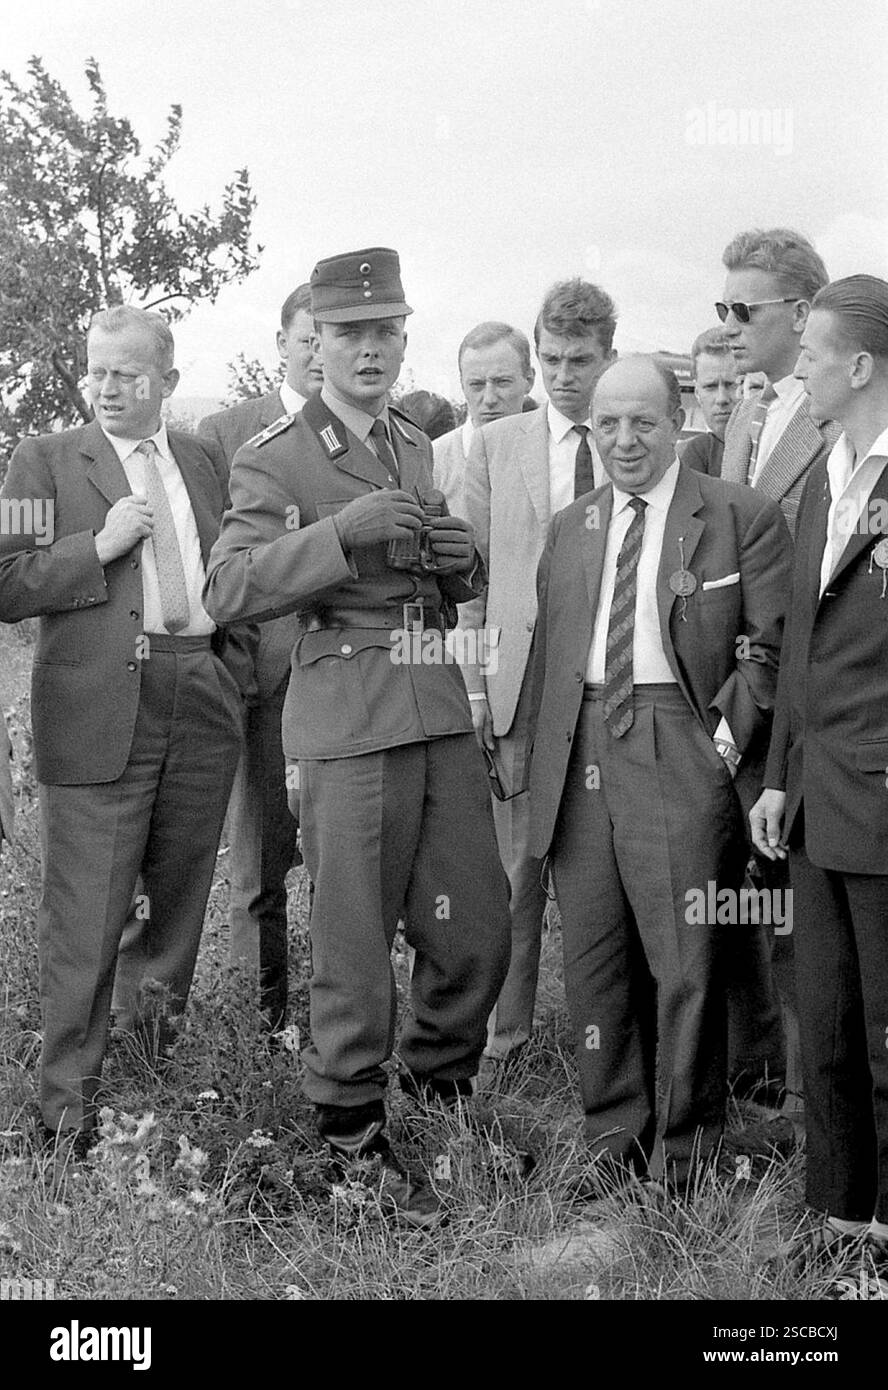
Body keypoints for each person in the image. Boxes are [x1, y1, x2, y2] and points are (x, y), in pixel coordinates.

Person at [204, 247, 511, 1227]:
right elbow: (227, 588)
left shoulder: (418, 441)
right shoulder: (276, 457)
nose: (370, 348)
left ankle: (436, 1090)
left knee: (477, 925)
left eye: (386, 330)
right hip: (345, 720)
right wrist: (339, 537)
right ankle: (352, 1137)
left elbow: (426, 576)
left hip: (431, 705)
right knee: (350, 941)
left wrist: (463, 569)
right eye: (349, 332)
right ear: (317, 343)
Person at [526, 355, 792, 1186]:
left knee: (685, 957)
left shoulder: (739, 515)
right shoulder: (572, 526)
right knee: (595, 959)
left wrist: (720, 743)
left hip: (678, 739)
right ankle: (614, 1143)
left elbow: (772, 648)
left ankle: (686, 1154)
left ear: (676, 420)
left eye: (641, 421)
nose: (624, 439)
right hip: (581, 748)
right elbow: (549, 656)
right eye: (607, 424)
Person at [0, 306, 246, 1149]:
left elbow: (235, 571)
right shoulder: (44, 461)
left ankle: (148, 1088)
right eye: (96, 371)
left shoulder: (206, 459)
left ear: (167, 383)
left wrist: (230, 673)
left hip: (201, 692)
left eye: (127, 374)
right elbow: (5, 580)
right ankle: (65, 1114)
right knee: (87, 915)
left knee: (176, 907)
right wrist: (94, 547)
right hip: (99, 706)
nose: (106, 388)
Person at [750, 276, 888, 1277]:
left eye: (816, 349)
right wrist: (775, 778)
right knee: (829, 1027)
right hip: (814, 806)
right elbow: (797, 651)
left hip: (884, 804)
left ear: (861, 366)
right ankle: (838, 1221)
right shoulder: (821, 482)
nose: (800, 361)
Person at [460, 279, 616, 1067]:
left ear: (608, 357)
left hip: (615, 689)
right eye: (550, 358)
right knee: (514, 876)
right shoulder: (498, 443)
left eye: (580, 359)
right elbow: (467, 581)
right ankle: (503, 1044)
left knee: (601, 878)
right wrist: (478, 687)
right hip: (520, 689)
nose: (563, 375)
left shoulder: (635, 437)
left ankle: (612, 1046)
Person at [197, 282, 321, 1028]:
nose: (316, 353)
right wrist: (239, 668)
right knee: (258, 866)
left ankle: (343, 1023)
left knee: (343, 864)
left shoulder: (370, 429)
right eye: (305, 338)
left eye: (326, 339)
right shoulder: (225, 432)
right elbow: (220, 564)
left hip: (346, 674)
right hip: (258, 682)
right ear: (281, 343)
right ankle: (260, 1023)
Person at [719, 227, 836, 536]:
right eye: (724, 311)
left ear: (800, 315)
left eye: (742, 312)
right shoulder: (741, 418)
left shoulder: (842, 421)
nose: (727, 329)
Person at [433, 321, 535, 515]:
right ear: (462, 385)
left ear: (529, 380)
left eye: (502, 382)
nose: (489, 399)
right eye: (476, 385)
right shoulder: (433, 461)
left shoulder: (551, 452)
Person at [680, 327, 740, 476]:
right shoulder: (688, 455)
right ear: (697, 393)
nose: (722, 399)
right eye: (710, 387)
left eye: (731, 384)